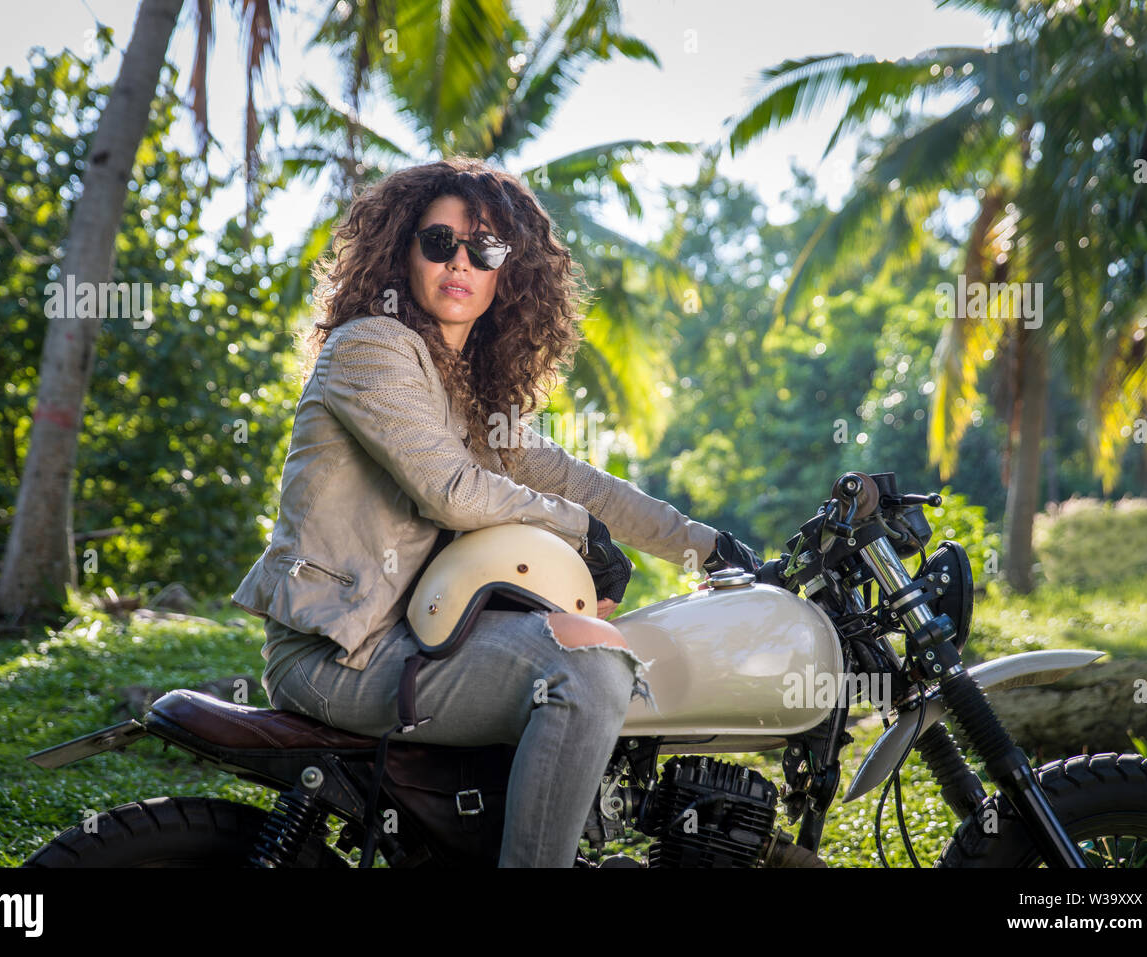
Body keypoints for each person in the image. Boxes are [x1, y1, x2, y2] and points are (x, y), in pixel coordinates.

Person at [230, 156, 766, 867]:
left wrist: (715, 550)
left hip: (417, 644)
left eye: (484, 250)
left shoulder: (469, 394)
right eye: (438, 242)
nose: (461, 261)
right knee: (589, 668)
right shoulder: (372, 346)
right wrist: (579, 532)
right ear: (402, 250)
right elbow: (450, 487)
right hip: (340, 651)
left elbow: (583, 485)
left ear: (507, 272)